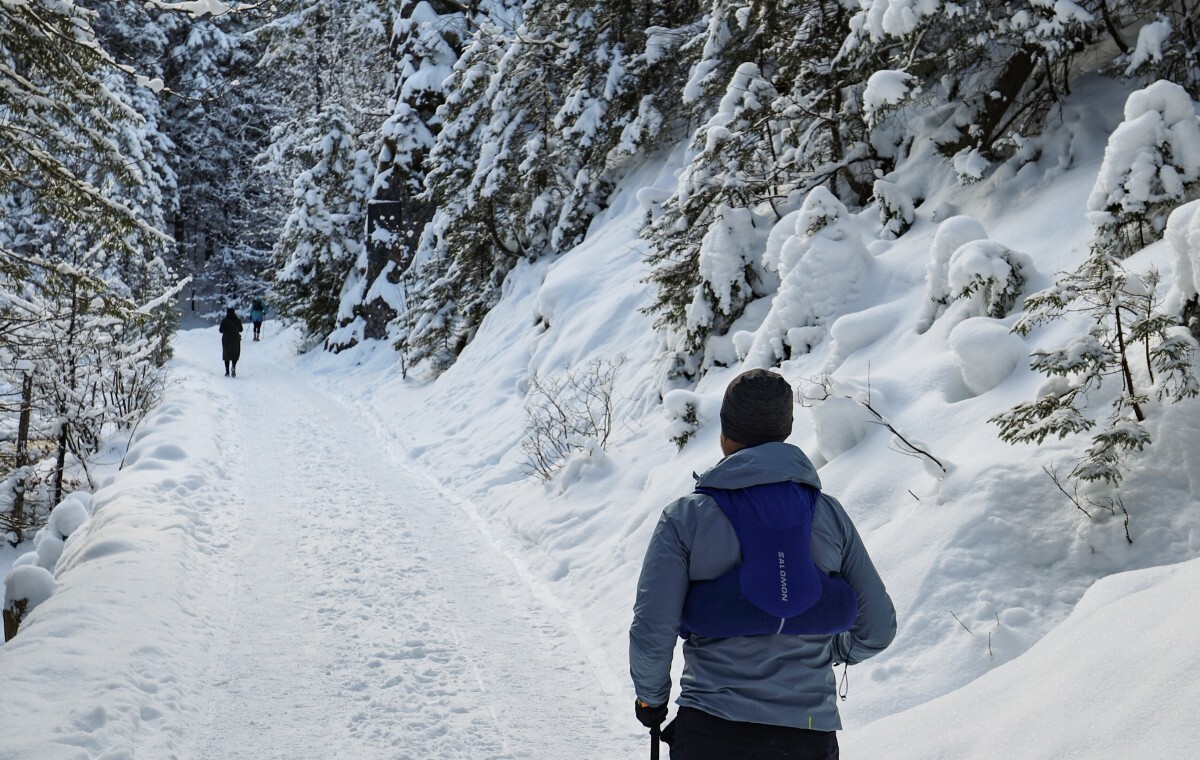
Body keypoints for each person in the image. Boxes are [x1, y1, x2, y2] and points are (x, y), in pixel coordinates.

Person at [630, 368, 896, 760]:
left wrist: (652, 702)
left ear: (725, 434)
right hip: (809, 734)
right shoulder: (829, 515)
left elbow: (653, 627)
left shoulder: (686, 517)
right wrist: (828, 649)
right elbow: (877, 629)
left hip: (711, 728)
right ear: (785, 431)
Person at [219, 307, 243, 377]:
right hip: (235, 339)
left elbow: (220, 330)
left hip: (226, 340)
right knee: (235, 354)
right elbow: (241, 329)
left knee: (226, 354)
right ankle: (233, 366)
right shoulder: (237, 320)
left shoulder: (225, 320)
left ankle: (227, 371)